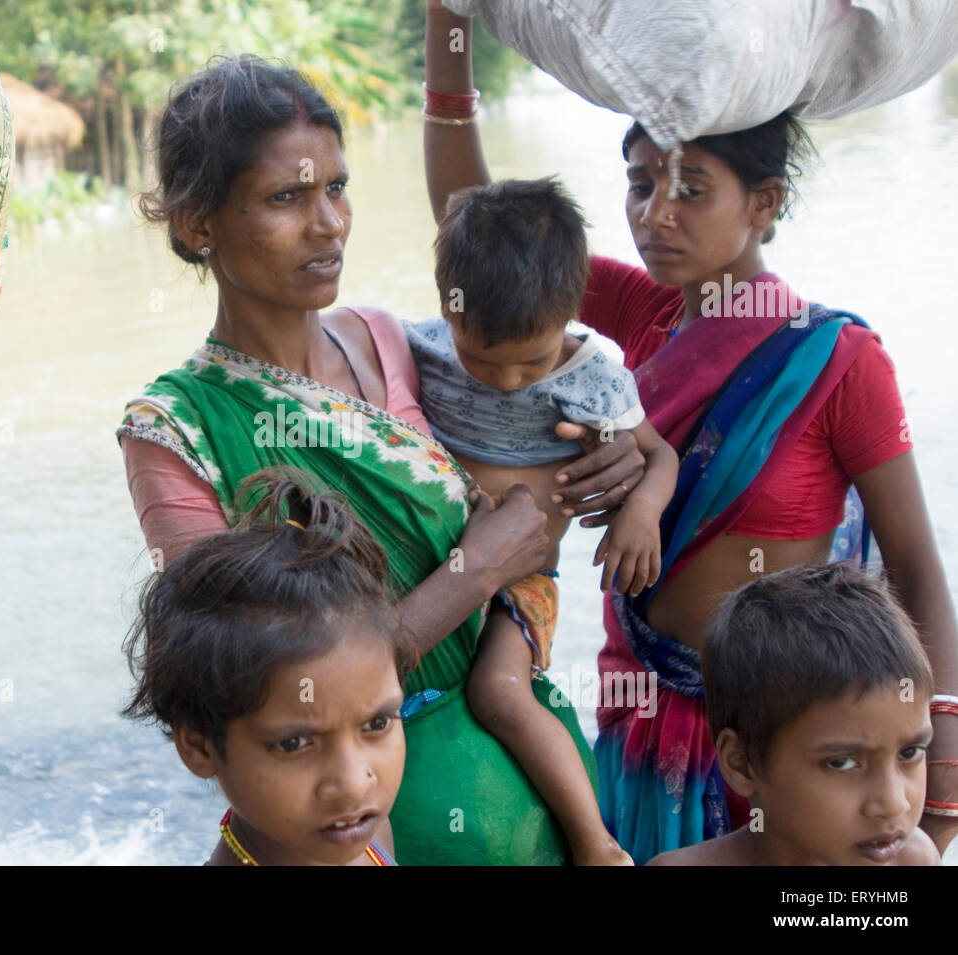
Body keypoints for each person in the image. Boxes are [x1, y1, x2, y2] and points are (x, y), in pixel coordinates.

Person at [423, 1, 958, 863]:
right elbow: (471, 226)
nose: (655, 215)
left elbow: (917, 569)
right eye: (640, 183)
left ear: (766, 202)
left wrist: (944, 783)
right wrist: (450, 35)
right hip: (640, 725)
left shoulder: (838, 359)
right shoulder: (639, 316)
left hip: (790, 754)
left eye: (691, 190)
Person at [117, 53, 646, 864]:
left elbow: (540, 405)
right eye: (286, 198)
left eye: (336, 186)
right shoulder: (177, 430)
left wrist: (622, 456)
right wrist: (476, 571)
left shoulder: (389, 342)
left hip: (533, 775)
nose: (327, 223)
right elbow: (242, 681)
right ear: (198, 224)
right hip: (358, 817)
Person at [406, 177, 679, 864]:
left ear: (570, 311)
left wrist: (641, 510)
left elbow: (661, 454)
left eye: (531, 360)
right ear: (449, 306)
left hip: (524, 578)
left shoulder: (594, 378)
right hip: (436, 569)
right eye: (484, 359)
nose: (505, 379)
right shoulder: (420, 348)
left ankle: (595, 843)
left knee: (497, 692)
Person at [124, 468, 407, 866]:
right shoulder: (354, 821)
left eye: (377, 724)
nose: (353, 783)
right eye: (292, 744)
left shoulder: (369, 833)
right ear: (199, 746)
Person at [649, 562, 940, 865]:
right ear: (742, 764)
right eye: (841, 763)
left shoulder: (915, 860)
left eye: (910, 753)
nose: (893, 804)